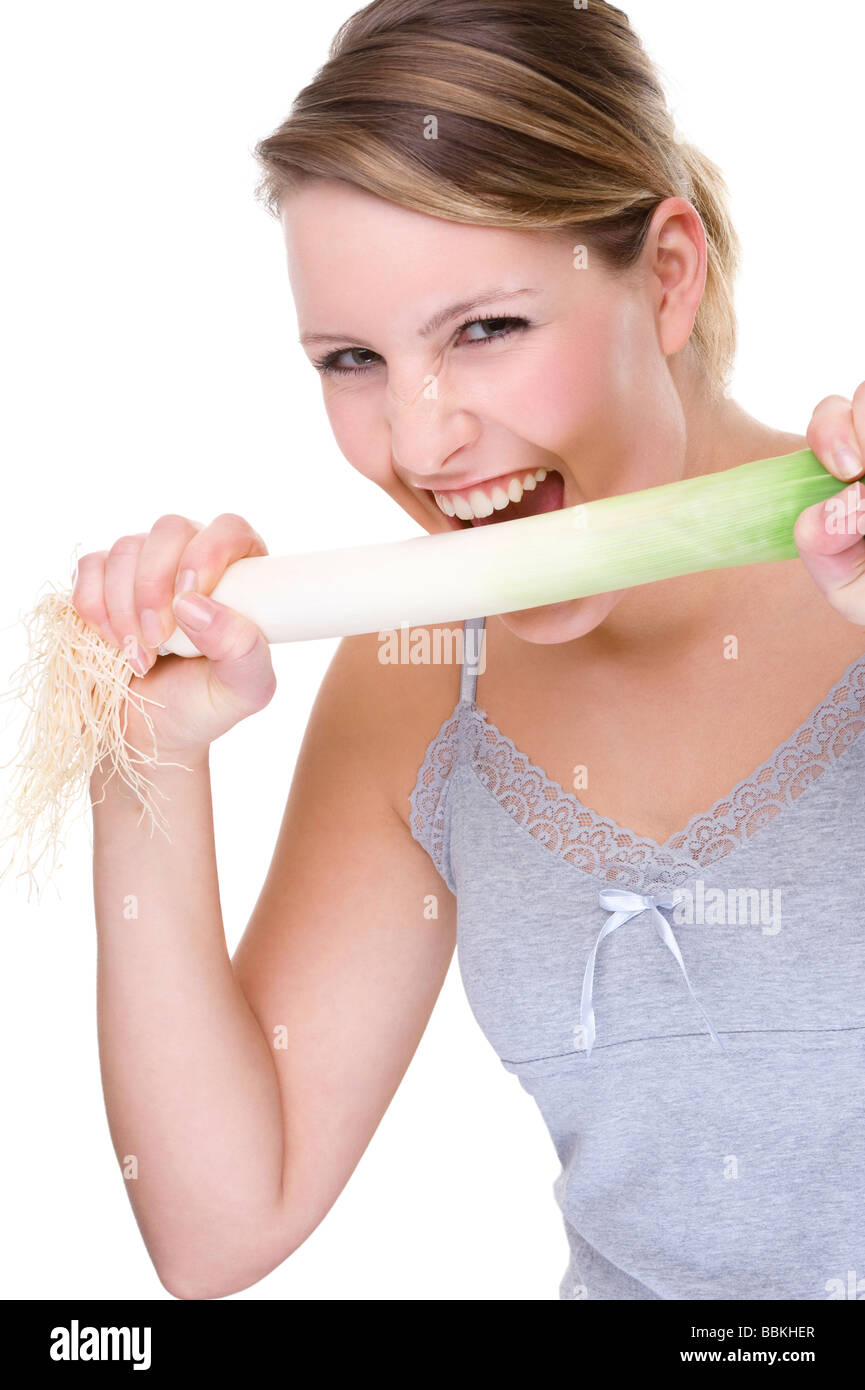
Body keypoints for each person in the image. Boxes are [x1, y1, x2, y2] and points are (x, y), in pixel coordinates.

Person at [74, 0, 865, 1300]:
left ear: (666, 275)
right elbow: (219, 1225)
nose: (423, 444)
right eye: (352, 359)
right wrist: (141, 753)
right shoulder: (415, 682)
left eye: (484, 329)